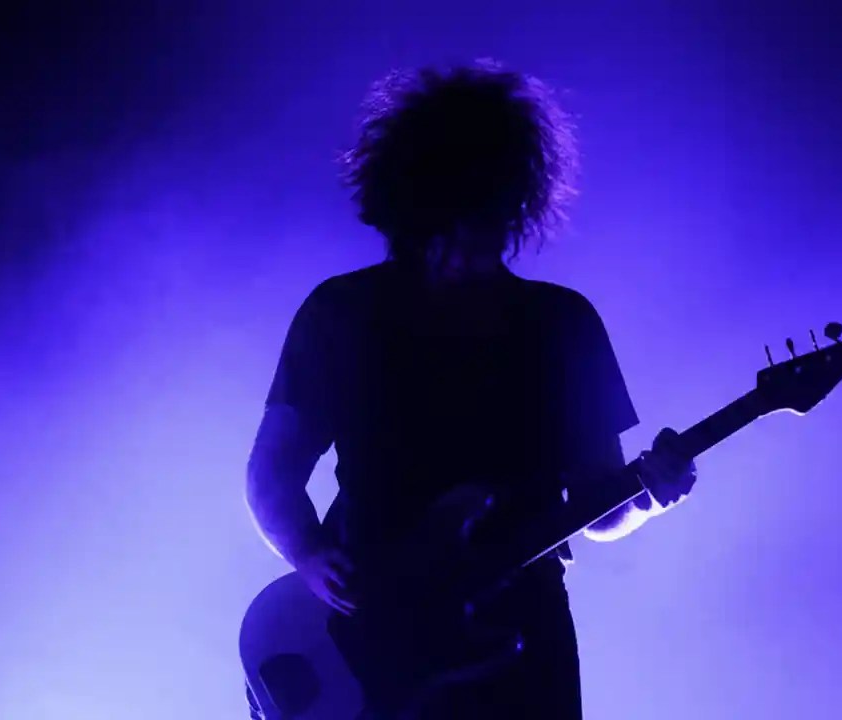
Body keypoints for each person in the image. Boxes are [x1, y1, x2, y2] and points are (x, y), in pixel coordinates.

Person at [245, 60, 697, 719]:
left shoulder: (560, 325)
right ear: (414, 200)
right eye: (450, 212)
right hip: (372, 644)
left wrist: (651, 496)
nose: (467, 237)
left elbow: (599, 507)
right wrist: (309, 555)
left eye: (486, 208)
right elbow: (271, 474)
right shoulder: (341, 314)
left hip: (519, 642)